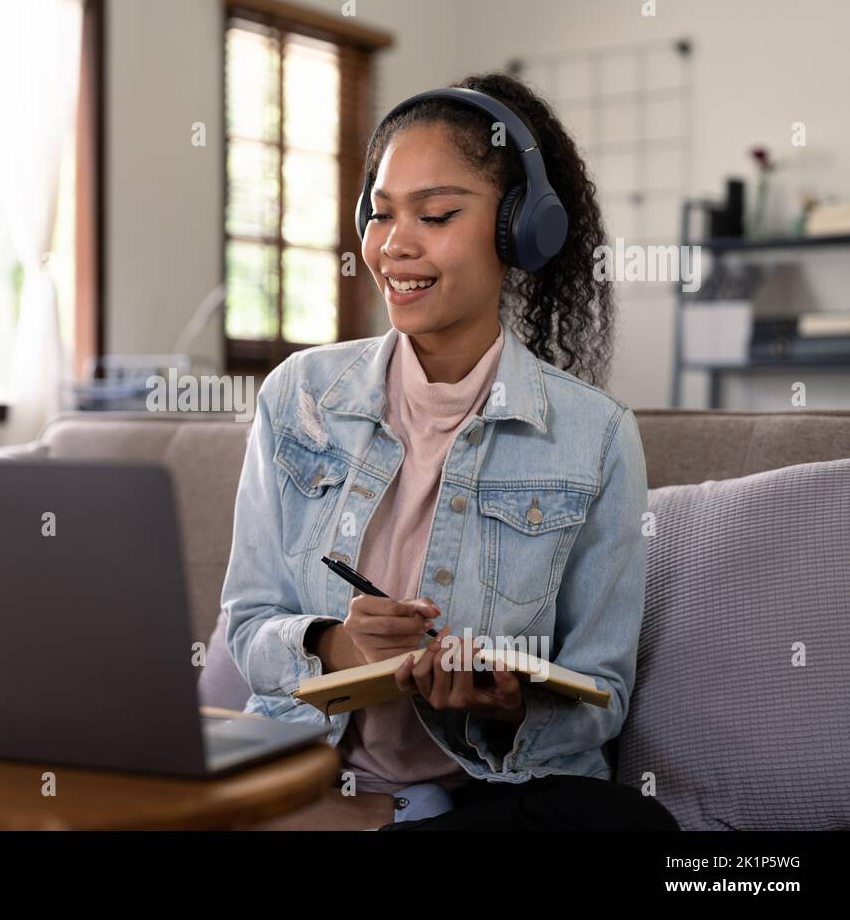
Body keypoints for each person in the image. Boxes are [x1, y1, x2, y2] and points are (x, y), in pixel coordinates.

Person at [221, 71, 678, 830]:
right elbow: (248, 627)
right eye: (381, 214)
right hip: (307, 788)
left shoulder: (595, 435)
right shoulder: (298, 396)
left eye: (434, 215)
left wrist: (507, 705)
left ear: (520, 230)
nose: (394, 245)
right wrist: (335, 644)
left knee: (632, 829)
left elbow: (601, 695)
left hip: (487, 801)